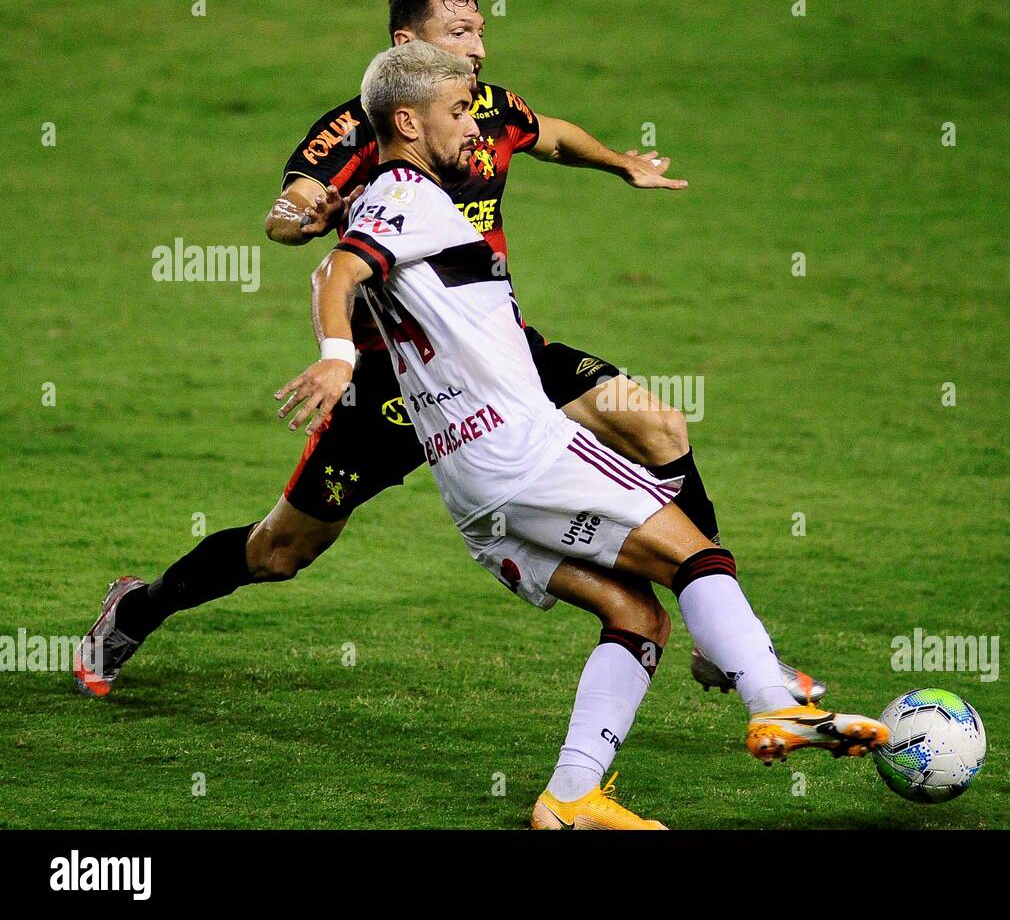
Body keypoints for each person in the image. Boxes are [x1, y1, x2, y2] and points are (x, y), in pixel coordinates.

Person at [74, 0, 824, 705]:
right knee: (281, 550)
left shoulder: (484, 108)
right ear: (408, 44)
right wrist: (307, 218)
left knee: (657, 422)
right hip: (392, 382)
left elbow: (552, 136)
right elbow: (290, 207)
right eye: (459, 32)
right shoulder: (366, 127)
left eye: (481, 32)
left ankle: (725, 642)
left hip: (502, 361)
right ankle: (137, 608)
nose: (478, 49)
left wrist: (620, 162)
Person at [275, 41, 887, 828]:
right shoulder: (408, 193)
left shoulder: (380, 199)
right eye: (458, 112)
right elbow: (339, 274)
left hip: (470, 487)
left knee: (638, 616)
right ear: (407, 119)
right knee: (696, 551)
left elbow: (332, 267)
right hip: (524, 454)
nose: (473, 128)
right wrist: (332, 358)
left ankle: (569, 799)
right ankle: (774, 701)